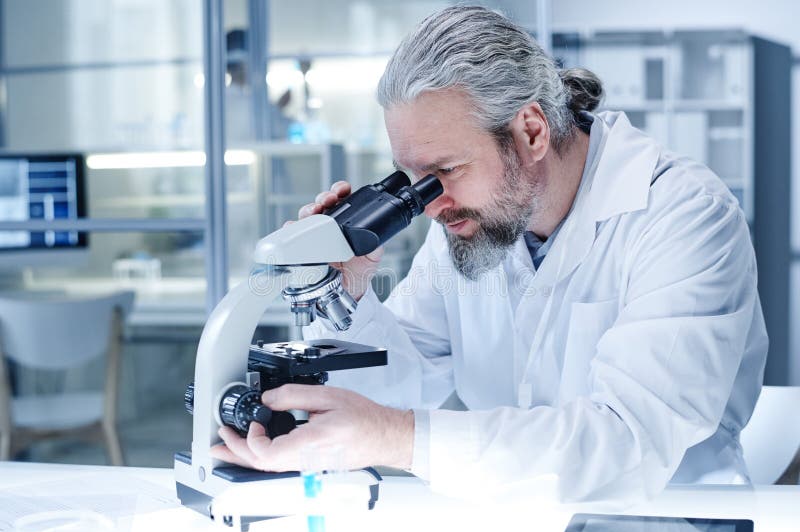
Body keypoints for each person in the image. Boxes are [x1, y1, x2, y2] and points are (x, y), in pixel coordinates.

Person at [212, 6, 768, 502]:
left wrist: (394, 438)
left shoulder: (683, 215)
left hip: (668, 515)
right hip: (508, 512)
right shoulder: (469, 220)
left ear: (530, 131)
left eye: (444, 172)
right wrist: (346, 293)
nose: (430, 204)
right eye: (414, 179)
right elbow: (404, 385)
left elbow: (626, 442)